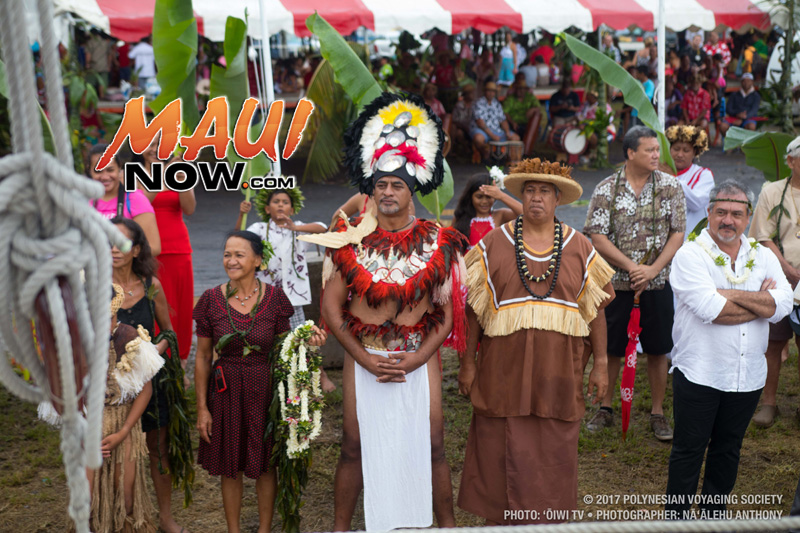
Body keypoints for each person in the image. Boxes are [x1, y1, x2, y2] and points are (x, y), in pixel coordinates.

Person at [309, 92, 467, 531]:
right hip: (367, 357)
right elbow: (331, 307)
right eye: (381, 185)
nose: (388, 192)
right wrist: (362, 359)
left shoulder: (439, 240)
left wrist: (418, 358)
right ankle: (342, 528)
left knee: (433, 444)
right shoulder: (351, 241)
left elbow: (448, 315)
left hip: (419, 356)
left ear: (411, 189)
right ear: (371, 191)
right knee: (353, 446)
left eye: (397, 185)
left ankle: (446, 524)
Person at [457, 158, 614, 524]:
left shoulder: (580, 248)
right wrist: (467, 364)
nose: (536, 198)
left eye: (545, 191)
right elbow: (472, 311)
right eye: (529, 190)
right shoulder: (493, 244)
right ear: (520, 196)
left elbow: (598, 311)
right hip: (501, 373)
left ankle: (550, 522)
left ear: (557, 199)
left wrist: (602, 365)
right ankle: (500, 522)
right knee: (498, 446)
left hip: (559, 374)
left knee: (553, 447)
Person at [666, 180, 792, 519]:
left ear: (748, 218)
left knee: (727, 451)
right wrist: (760, 302)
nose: (728, 220)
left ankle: (711, 520)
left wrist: (730, 293)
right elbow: (712, 311)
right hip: (700, 372)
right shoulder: (689, 255)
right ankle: (676, 522)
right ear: (708, 213)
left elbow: (783, 305)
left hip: (748, 376)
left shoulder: (762, 255)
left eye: (737, 214)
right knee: (688, 452)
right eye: (721, 212)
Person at [194, 230, 327, 533]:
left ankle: (265, 530)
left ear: (257, 260)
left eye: (239, 255)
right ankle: (234, 531)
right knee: (231, 467)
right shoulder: (211, 300)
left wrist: (308, 343)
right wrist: (202, 408)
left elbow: (286, 348)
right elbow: (202, 357)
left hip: (265, 393)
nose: (231, 260)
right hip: (225, 392)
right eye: (227, 254)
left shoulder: (275, 299)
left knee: (266, 465)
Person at [584, 126, 687, 440]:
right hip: (615, 283)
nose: (657, 155)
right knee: (611, 347)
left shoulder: (670, 186)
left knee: (658, 349)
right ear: (630, 153)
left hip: (658, 283)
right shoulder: (606, 189)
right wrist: (631, 267)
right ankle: (605, 407)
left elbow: (678, 233)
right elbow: (596, 236)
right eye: (650, 150)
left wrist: (653, 269)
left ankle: (657, 412)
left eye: (658, 150)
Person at [40, 284, 164, 532]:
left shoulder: (130, 339)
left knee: (125, 496)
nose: (104, 326)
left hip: (122, 423)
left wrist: (124, 431)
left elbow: (145, 390)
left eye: (109, 319)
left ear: (117, 312)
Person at [112, 217, 191, 533]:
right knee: (120, 451)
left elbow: (168, 332)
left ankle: (165, 517)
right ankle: (121, 514)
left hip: (150, 381)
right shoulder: (93, 286)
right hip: (113, 386)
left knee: (158, 448)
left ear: (136, 250)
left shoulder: (150, 285)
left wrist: (152, 353)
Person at [747, 136, 800, 427]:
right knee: (773, 342)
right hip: (779, 277)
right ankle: (769, 403)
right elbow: (762, 235)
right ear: (790, 161)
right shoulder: (772, 191)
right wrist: (786, 269)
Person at [134, 138, 195, 371]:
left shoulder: (178, 171)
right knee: (153, 301)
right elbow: (140, 204)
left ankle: (180, 361)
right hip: (148, 249)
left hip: (178, 247)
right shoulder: (134, 174)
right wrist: (161, 175)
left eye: (160, 144)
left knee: (180, 303)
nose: (154, 149)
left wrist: (182, 178)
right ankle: (154, 359)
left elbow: (189, 208)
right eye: (149, 144)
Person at [87, 143, 161, 256]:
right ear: (90, 171)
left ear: (119, 168)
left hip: (126, 272)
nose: (105, 176)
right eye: (98, 171)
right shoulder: (84, 201)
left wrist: (123, 253)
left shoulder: (135, 199)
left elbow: (154, 247)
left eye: (110, 170)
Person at [664, 125, 715, 236]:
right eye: (676, 149)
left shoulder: (704, 175)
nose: (680, 154)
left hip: (693, 242)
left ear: (694, 153)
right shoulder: (658, 173)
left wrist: (671, 178)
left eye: (686, 150)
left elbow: (697, 203)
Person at [452, 173, 522, 248]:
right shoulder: (461, 217)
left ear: (495, 197)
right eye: (479, 197)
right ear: (470, 197)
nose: (484, 201)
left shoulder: (500, 215)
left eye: (489, 197)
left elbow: (527, 214)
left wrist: (502, 196)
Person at [470, 81, 520, 163]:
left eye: (492, 91)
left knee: (515, 138)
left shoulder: (497, 104)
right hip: (482, 130)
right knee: (478, 138)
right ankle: (485, 155)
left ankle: (508, 159)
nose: (490, 93)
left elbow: (503, 120)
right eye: (489, 91)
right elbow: (480, 122)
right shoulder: (479, 103)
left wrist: (507, 132)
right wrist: (492, 135)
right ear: (485, 91)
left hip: (496, 130)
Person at [85, 30, 113, 97]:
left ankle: (91, 97)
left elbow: (88, 55)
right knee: (102, 82)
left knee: (91, 83)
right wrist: (109, 65)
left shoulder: (90, 42)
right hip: (104, 65)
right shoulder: (105, 43)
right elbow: (109, 55)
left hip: (93, 66)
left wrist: (87, 63)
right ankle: (102, 96)